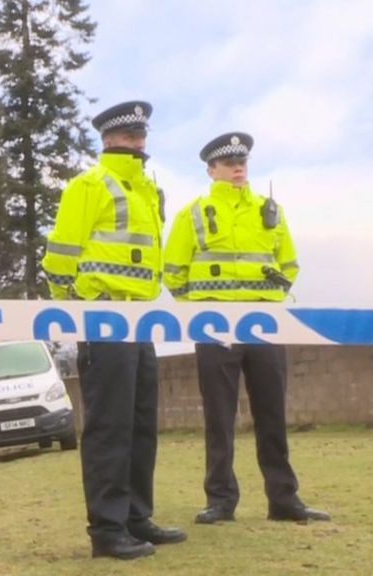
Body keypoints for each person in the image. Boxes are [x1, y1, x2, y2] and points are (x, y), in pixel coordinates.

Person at [163, 132, 330, 525]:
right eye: (229, 162)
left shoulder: (269, 210)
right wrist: (202, 312)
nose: (238, 167)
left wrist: (269, 301)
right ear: (211, 169)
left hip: (264, 325)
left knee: (272, 413)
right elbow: (173, 272)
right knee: (219, 418)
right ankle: (220, 501)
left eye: (243, 160)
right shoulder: (193, 213)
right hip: (216, 327)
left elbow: (288, 264)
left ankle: (284, 500)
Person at [43, 101, 187, 560]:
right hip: (102, 315)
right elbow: (60, 255)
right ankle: (107, 530)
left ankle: (136, 518)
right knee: (109, 426)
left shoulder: (147, 191)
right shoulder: (89, 185)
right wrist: (78, 307)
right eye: (128, 136)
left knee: (142, 422)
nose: (137, 142)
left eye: (141, 134)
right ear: (107, 139)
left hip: (139, 317)